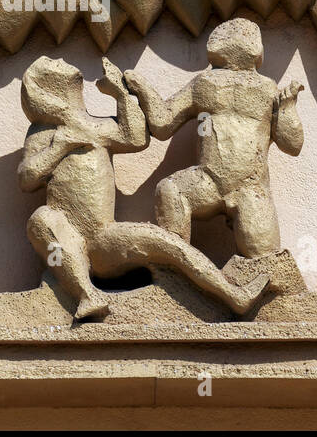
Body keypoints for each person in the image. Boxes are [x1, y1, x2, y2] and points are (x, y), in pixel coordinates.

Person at [18, 56, 270, 321]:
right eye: (52, 62)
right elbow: (27, 178)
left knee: (169, 243)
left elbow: (135, 137)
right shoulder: (43, 132)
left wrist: (120, 93)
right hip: (68, 236)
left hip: (105, 240)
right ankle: (86, 295)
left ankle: (234, 295)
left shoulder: (95, 127)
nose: (59, 59)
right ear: (49, 87)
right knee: (43, 220)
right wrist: (58, 147)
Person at [124, 18, 304, 259]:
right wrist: (142, 88)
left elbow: (292, 144)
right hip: (207, 180)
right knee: (171, 190)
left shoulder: (267, 89)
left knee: (265, 259)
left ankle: (194, 273)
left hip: (250, 188)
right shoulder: (205, 84)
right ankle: (178, 266)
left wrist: (287, 108)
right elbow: (163, 124)